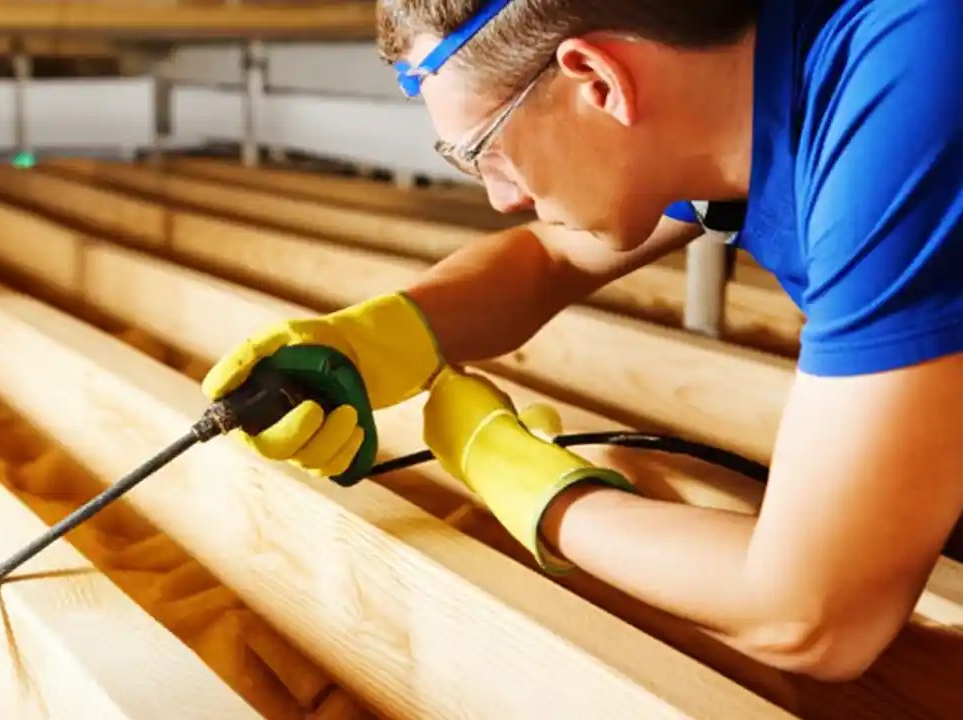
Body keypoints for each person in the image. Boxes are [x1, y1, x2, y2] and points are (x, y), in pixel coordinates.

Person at [201, 0, 963, 681]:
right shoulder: (740, 74)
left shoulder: (911, 88)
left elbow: (809, 619)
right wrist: (383, 337)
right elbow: (551, 257)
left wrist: (525, 481)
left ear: (597, 79)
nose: (503, 197)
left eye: (483, 152)